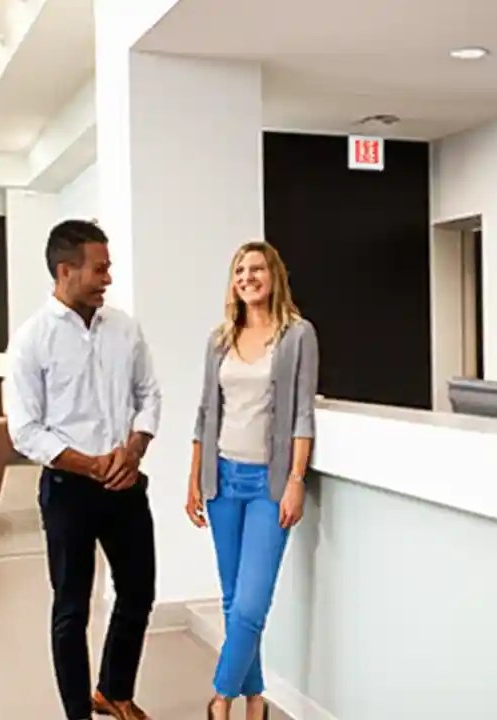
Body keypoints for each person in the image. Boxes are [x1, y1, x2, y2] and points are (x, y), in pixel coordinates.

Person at [7, 219, 161, 720]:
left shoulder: (124, 328)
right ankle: (77, 713)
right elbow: (26, 430)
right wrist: (90, 464)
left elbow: (148, 394)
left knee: (138, 591)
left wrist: (134, 449)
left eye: (108, 267)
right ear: (65, 270)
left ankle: (113, 690)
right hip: (69, 489)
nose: (108, 278)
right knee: (72, 608)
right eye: (100, 268)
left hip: (125, 484)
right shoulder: (32, 339)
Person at [186, 241, 319, 720]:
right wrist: (194, 478)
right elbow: (205, 412)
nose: (248, 276)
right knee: (231, 598)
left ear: (273, 275)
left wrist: (296, 479)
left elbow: (303, 414)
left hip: (270, 483)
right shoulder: (219, 339)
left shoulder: (297, 335)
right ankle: (256, 699)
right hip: (221, 479)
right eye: (240, 269)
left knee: (251, 602)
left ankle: (221, 696)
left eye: (257, 268)